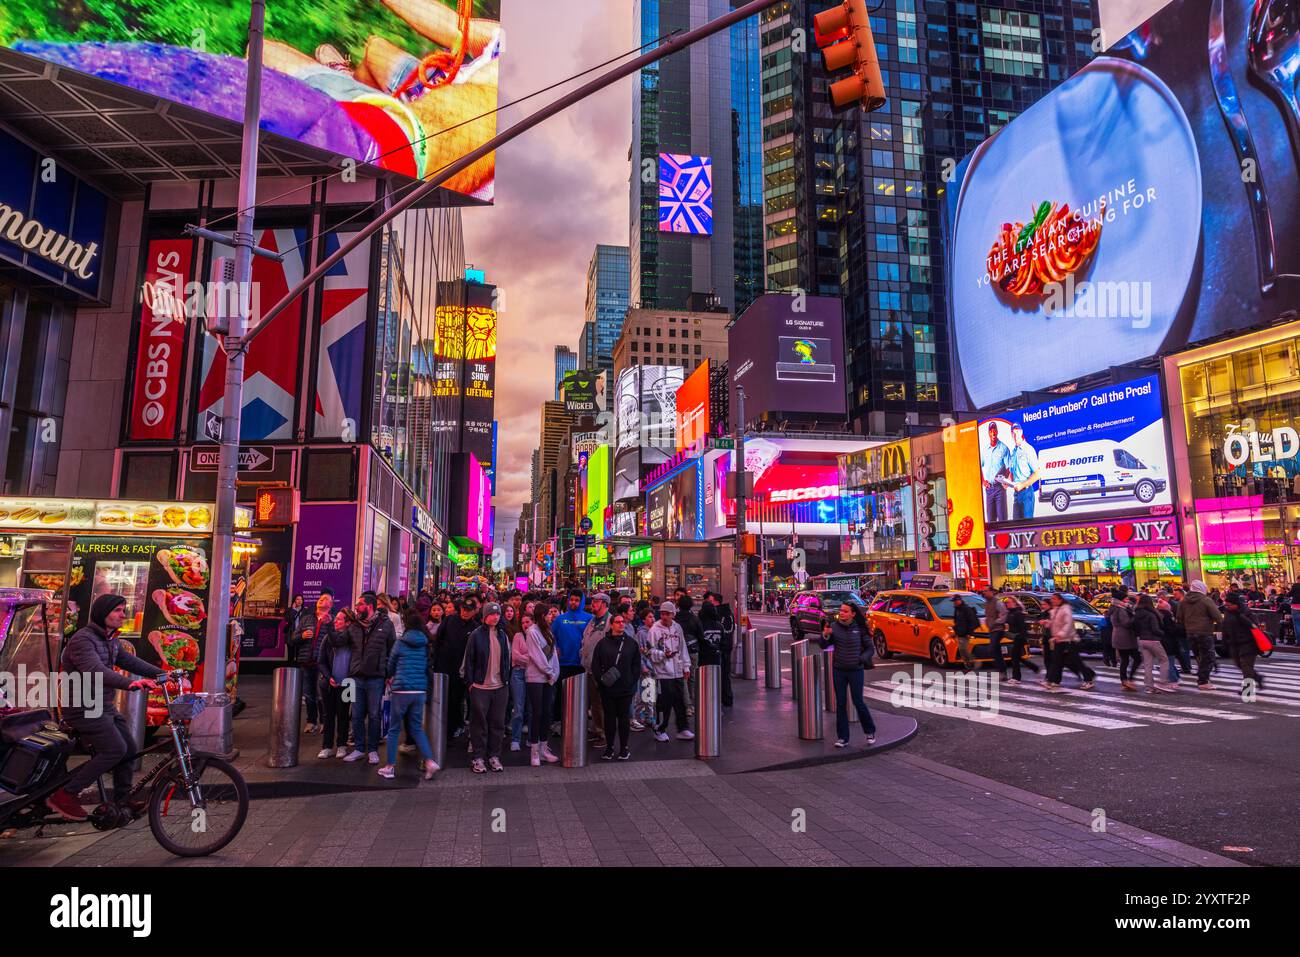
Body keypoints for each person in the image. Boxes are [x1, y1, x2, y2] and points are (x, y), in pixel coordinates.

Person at [45, 594, 166, 821]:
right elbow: (94, 669)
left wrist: (162, 674)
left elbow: (128, 661)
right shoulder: (83, 640)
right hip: (83, 707)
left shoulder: (109, 639)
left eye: (123, 610)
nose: (123, 615)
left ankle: (122, 800)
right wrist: (130, 683)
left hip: (102, 704)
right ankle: (66, 794)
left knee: (129, 748)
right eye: (118, 610)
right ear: (103, 614)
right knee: (114, 750)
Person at [377, 611, 439, 780]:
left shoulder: (401, 642)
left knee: (394, 729)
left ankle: (389, 766)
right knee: (417, 728)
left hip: (401, 689)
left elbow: (391, 663)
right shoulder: (425, 643)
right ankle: (429, 761)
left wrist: (389, 676)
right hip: (419, 690)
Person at [341, 592, 395, 764]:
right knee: (356, 714)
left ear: (369, 606)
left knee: (374, 714)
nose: (357, 607)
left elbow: (392, 648)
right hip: (356, 677)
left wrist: (389, 672)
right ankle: (358, 748)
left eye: (360, 604)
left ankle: (372, 749)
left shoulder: (385, 624)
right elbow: (340, 642)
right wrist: (328, 625)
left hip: (376, 677)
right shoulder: (354, 625)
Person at [817, 602, 878, 747]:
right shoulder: (834, 627)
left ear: (853, 614)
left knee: (858, 702)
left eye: (845, 611)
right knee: (840, 703)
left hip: (856, 670)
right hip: (839, 670)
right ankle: (843, 737)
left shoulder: (860, 629)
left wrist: (861, 660)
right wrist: (825, 635)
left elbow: (870, 649)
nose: (842, 613)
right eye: (841, 611)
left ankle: (869, 731)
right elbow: (824, 646)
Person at [462, 602, 512, 772]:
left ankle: (494, 756)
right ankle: (478, 757)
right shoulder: (476, 635)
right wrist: (470, 683)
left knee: (498, 723)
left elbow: (507, 660)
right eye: (492, 614)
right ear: (484, 616)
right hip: (480, 686)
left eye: (498, 614)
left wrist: (506, 680)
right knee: (479, 724)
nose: (495, 617)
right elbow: (468, 661)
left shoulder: (503, 635)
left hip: (500, 686)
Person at [590, 613, 641, 761]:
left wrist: (631, 681)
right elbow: (596, 664)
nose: (621, 624)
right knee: (610, 718)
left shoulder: (631, 643)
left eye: (622, 622)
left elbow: (636, 665)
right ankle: (610, 747)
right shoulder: (602, 643)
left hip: (625, 688)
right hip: (608, 688)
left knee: (624, 718)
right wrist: (601, 681)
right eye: (617, 622)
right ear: (611, 625)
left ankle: (624, 747)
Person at [646, 601, 692, 741]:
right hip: (662, 673)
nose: (664, 616)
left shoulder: (677, 628)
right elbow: (649, 651)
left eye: (667, 614)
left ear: (673, 614)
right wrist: (662, 655)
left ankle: (682, 728)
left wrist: (686, 666)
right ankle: (659, 729)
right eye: (662, 613)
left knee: (680, 701)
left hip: (677, 671)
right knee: (663, 703)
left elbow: (683, 648)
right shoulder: (654, 630)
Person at [433, 597, 477, 740]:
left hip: (460, 671)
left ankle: (454, 727)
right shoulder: (450, 620)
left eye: (468, 610)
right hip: (444, 667)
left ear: (474, 612)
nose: (465, 612)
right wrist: (436, 662)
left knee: (456, 699)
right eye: (463, 609)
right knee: (442, 699)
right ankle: (444, 727)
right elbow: (438, 640)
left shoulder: (475, 628)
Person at [524, 602, 562, 766]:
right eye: (548, 614)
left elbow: (553, 654)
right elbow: (536, 655)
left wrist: (554, 673)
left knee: (547, 712)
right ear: (541, 616)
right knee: (537, 713)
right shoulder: (532, 632)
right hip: (535, 677)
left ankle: (544, 748)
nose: (550, 616)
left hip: (549, 678)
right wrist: (549, 671)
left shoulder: (548, 631)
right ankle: (534, 751)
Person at [318, 609, 359, 759]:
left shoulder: (352, 640)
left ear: (348, 623)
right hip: (329, 684)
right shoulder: (327, 639)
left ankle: (342, 745)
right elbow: (321, 661)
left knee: (344, 715)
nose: (335, 622)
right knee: (328, 715)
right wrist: (329, 677)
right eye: (335, 620)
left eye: (339, 620)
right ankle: (327, 746)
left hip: (348, 684)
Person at [551, 589, 592, 729]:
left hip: (581, 664)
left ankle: (580, 724)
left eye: (577, 600)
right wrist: (555, 648)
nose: (573, 602)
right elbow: (550, 637)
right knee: (561, 696)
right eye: (571, 599)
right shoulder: (559, 619)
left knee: (581, 697)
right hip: (563, 664)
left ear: (581, 601)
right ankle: (558, 722)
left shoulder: (589, 618)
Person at [579, 592, 613, 751]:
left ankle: (604, 735)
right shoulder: (593, 621)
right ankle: (597, 729)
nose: (592, 604)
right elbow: (585, 640)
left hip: (602, 671)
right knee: (594, 703)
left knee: (602, 704)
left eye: (596, 601)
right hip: (589, 668)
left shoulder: (610, 622)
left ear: (604, 604)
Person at [1042, 592, 1096, 690]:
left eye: (1054, 599)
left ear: (1060, 600)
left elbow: (1068, 624)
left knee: (1076, 661)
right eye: (1052, 599)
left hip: (1069, 640)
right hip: (1059, 640)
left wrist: (1060, 634)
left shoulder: (1065, 609)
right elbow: (1056, 623)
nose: (1052, 601)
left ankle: (1089, 679)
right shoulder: (1055, 610)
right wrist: (1048, 623)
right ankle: (1053, 681)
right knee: (1056, 661)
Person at [1175, 579, 1222, 690]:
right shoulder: (1206, 600)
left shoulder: (1183, 601)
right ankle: (1203, 681)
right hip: (1204, 632)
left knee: (1199, 656)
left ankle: (1203, 678)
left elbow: (1179, 618)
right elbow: (1218, 617)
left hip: (1190, 633)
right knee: (1209, 656)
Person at [1221, 592, 1266, 694]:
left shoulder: (1246, 612)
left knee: (1246, 666)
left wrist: (1240, 616)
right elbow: (1225, 626)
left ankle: (1248, 690)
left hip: (1248, 643)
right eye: (1226, 605)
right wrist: (1224, 642)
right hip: (1234, 644)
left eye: (1229, 605)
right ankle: (1257, 677)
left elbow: (1253, 626)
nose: (1227, 607)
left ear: (1236, 604)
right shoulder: (1228, 612)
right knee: (1239, 665)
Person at [1133, 593, 1176, 694]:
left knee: (1148, 664)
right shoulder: (1151, 614)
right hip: (1153, 640)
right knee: (1164, 660)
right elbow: (1155, 629)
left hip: (1142, 640)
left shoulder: (1137, 614)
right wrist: (1162, 634)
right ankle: (1163, 682)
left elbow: (1134, 627)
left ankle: (1149, 686)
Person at [705, 592, 736, 707]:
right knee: (725, 674)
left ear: (715, 602)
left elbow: (723, 632)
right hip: (726, 648)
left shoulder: (719, 615)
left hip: (721, 649)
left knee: (719, 674)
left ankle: (719, 698)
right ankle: (726, 698)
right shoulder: (727, 613)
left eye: (710, 601)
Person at [1007, 424, 1042, 521]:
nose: (1015, 434)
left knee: (1027, 528)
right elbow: (1013, 473)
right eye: (1013, 432)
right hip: (1016, 494)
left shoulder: (1028, 449)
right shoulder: (1013, 452)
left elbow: (1037, 474)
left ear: (1021, 432)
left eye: (1017, 431)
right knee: (1017, 529)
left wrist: (1022, 485)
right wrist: (1006, 482)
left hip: (1027, 493)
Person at [508, 611, 532, 752]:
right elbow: (515, 656)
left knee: (531, 708)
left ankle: (531, 738)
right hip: (518, 673)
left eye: (527, 622)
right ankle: (515, 739)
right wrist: (531, 659)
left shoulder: (536, 635)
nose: (524, 625)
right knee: (518, 708)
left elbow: (541, 654)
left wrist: (528, 657)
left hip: (533, 674)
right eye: (522, 623)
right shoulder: (518, 636)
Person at [980, 421, 1013, 523]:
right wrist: (983, 481)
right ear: (988, 433)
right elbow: (978, 466)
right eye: (991, 431)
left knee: (1003, 521)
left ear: (997, 432)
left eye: (994, 431)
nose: (993, 433)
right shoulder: (985, 450)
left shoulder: (1004, 448)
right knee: (991, 522)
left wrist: (1005, 481)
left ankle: (1005, 539)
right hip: (989, 489)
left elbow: (1009, 467)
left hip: (999, 489)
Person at [1108, 587, 1140, 691]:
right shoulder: (1121, 609)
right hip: (1125, 637)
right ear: (1121, 600)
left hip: (1118, 637)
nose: (1127, 600)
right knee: (1137, 658)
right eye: (1125, 599)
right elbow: (1126, 623)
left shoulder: (1114, 608)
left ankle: (1124, 681)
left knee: (1124, 660)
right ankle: (1129, 679)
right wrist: (1135, 618)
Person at [1001, 595, 1039, 684]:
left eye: (1009, 602)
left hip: (1019, 637)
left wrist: (1022, 637)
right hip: (1014, 637)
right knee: (1017, 657)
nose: (1007, 604)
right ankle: (1034, 667)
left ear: (1014, 603)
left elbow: (1022, 627)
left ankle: (1016, 678)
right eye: (1006, 603)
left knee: (1014, 657)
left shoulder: (1018, 613)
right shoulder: (1009, 612)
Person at [982, 587, 1008, 679]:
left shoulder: (997, 602)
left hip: (998, 629)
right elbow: (988, 615)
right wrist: (987, 622)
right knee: (995, 650)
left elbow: (1004, 614)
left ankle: (1002, 670)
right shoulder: (986, 603)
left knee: (992, 649)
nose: (984, 593)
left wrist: (996, 622)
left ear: (991, 592)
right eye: (983, 591)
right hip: (992, 630)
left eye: (986, 591)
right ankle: (1002, 671)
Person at [950, 593, 980, 671]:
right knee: (961, 650)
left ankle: (971, 663)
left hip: (965, 633)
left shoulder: (966, 609)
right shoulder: (957, 610)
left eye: (955, 601)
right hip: (960, 633)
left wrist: (969, 633)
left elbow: (972, 621)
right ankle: (968, 665)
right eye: (954, 601)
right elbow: (957, 622)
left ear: (960, 600)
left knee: (963, 649)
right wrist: (955, 631)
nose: (954, 602)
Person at [284, 594, 306, 661]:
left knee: (299, 655)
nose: (299, 601)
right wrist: (293, 610)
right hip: (291, 634)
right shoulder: (289, 610)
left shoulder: (305, 611)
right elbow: (288, 620)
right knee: (290, 655)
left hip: (300, 635)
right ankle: (290, 670)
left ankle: (298, 671)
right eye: (297, 599)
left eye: (301, 599)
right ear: (294, 601)